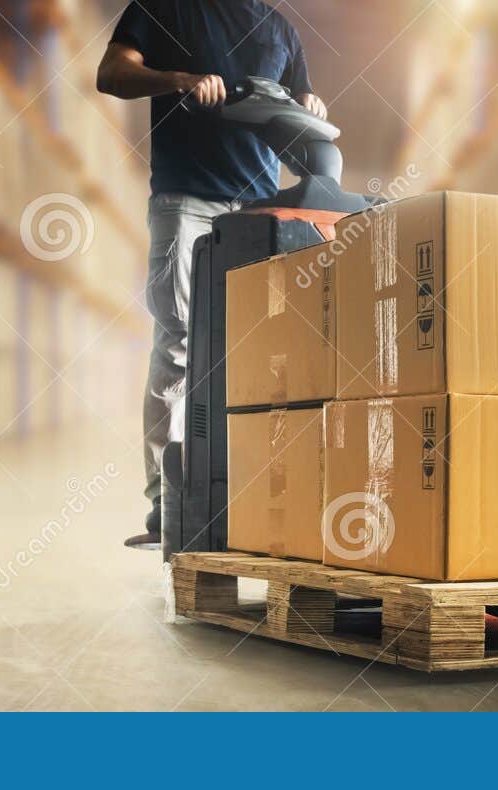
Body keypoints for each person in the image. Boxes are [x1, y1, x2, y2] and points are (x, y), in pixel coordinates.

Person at [96, 0, 326, 548]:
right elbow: (111, 74)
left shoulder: (279, 29)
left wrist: (310, 104)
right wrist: (178, 78)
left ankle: (253, 496)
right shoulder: (165, 9)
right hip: (186, 199)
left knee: (262, 350)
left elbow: (297, 120)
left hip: (259, 208)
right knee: (177, 343)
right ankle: (166, 502)